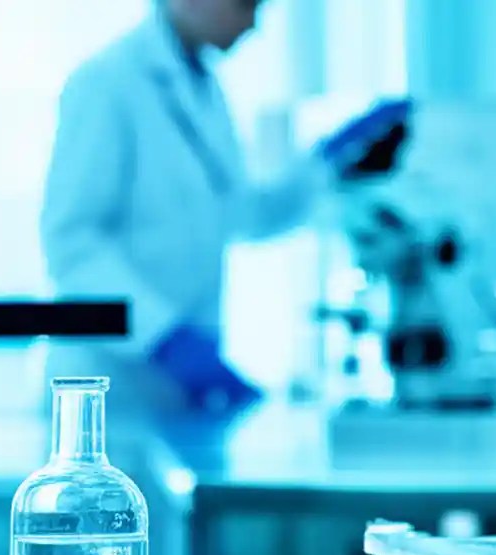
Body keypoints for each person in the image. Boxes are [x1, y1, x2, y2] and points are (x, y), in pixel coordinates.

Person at [40, 0, 408, 416]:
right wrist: (162, 337)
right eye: (244, 6)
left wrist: (326, 163)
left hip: (177, 384)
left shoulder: (203, 88)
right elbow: (71, 243)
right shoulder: (107, 83)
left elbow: (240, 214)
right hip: (108, 382)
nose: (253, 25)